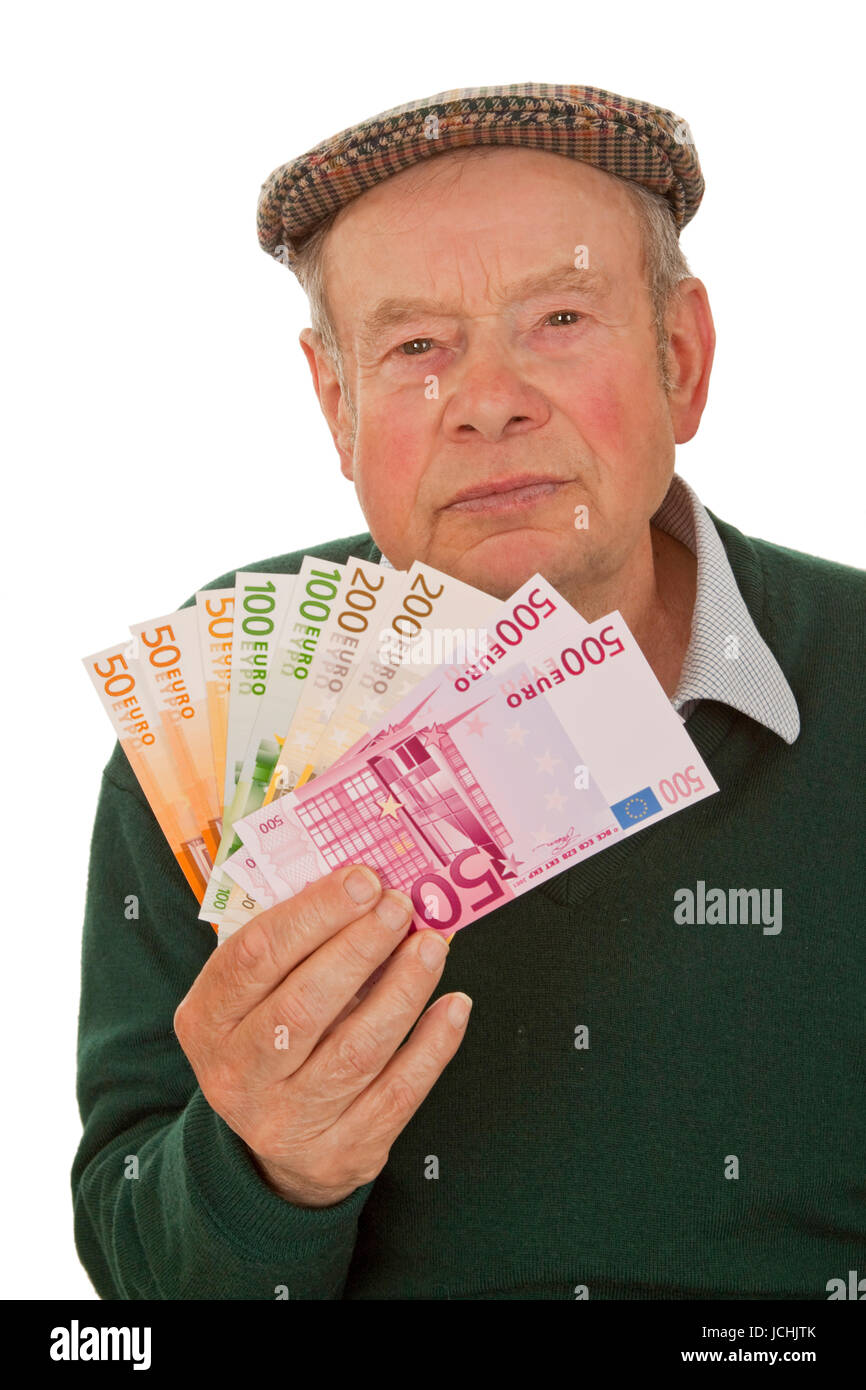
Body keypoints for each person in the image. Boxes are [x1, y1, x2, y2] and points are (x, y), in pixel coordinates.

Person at [73, 83, 865, 1300]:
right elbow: (138, 1286)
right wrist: (268, 1172)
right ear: (336, 407)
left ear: (680, 359)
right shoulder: (220, 721)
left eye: (558, 318)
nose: (487, 400)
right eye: (414, 348)